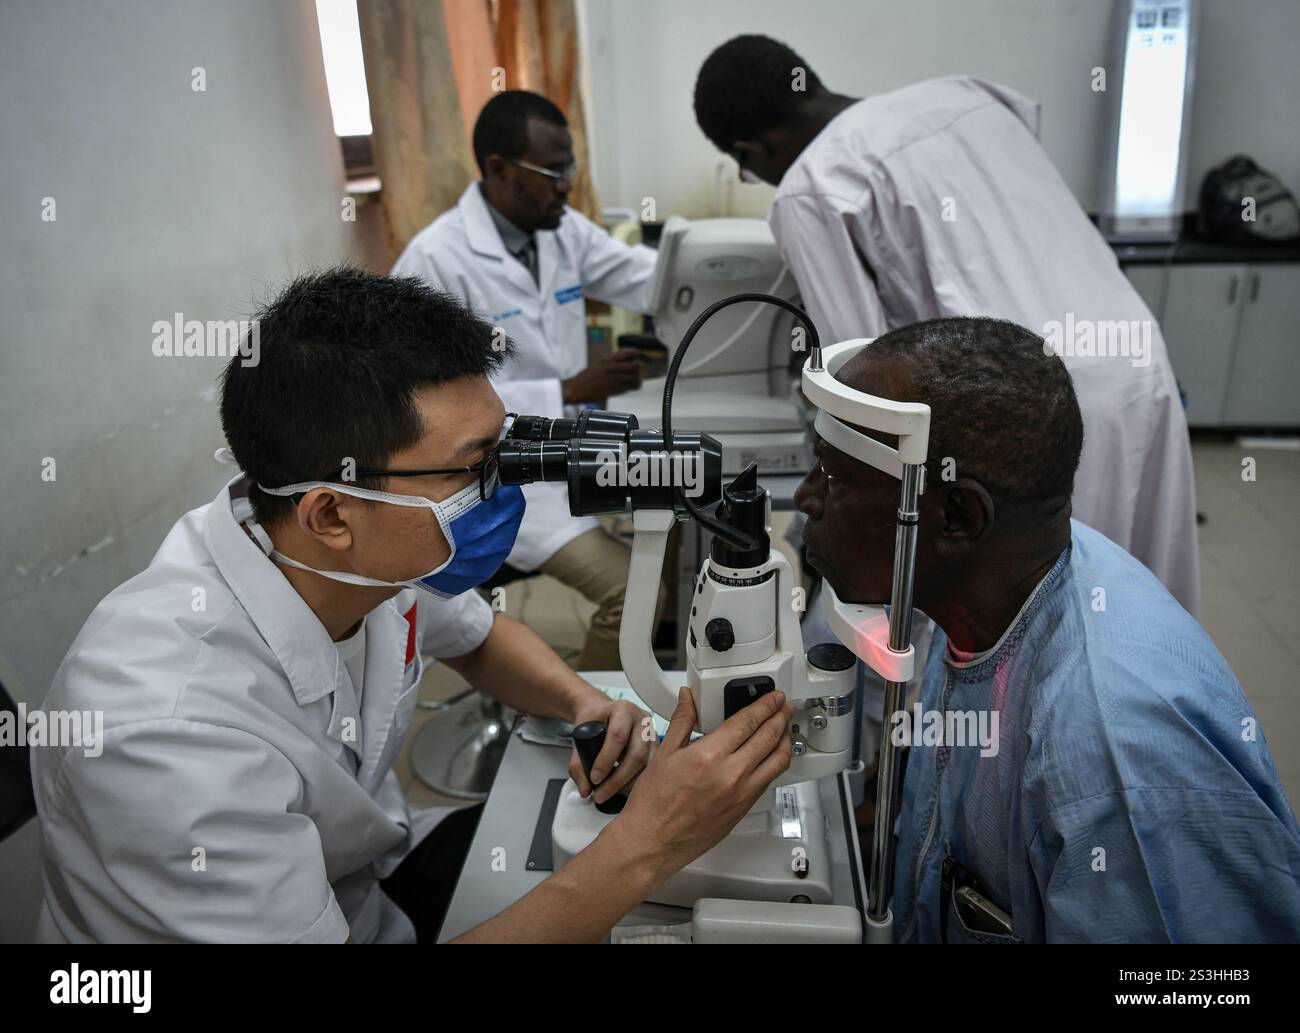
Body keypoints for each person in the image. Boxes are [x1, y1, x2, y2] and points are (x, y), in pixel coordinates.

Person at [32, 268, 793, 943]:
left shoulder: (344, 551)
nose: (504, 487)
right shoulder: (166, 739)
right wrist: (653, 842)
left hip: (367, 878)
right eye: (475, 468)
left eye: (504, 450)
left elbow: (477, 636)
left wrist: (587, 701)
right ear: (332, 513)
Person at [794, 315, 1300, 943]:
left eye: (837, 476)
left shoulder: (1110, 758)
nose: (805, 497)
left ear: (956, 516)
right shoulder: (978, 597)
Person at [694, 35, 1200, 618]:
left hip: (1029, 406)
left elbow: (859, 384)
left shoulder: (811, 187)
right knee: (1143, 607)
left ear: (751, 149)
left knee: (1050, 629)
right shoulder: (968, 97)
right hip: (1137, 360)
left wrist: (824, 505)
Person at [393, 90, 657, 669]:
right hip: (499, 480)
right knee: (639, 592)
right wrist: (564, 393)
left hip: (574, 454)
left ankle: (630, 679)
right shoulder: (435, 261)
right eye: (553, 171)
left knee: (683, 526)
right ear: (498, 170)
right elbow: (417, 404)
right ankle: (584, 721)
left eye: (571, 168)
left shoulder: (559, 229)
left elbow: (644, 277)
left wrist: (716, 265)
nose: (567, 185)